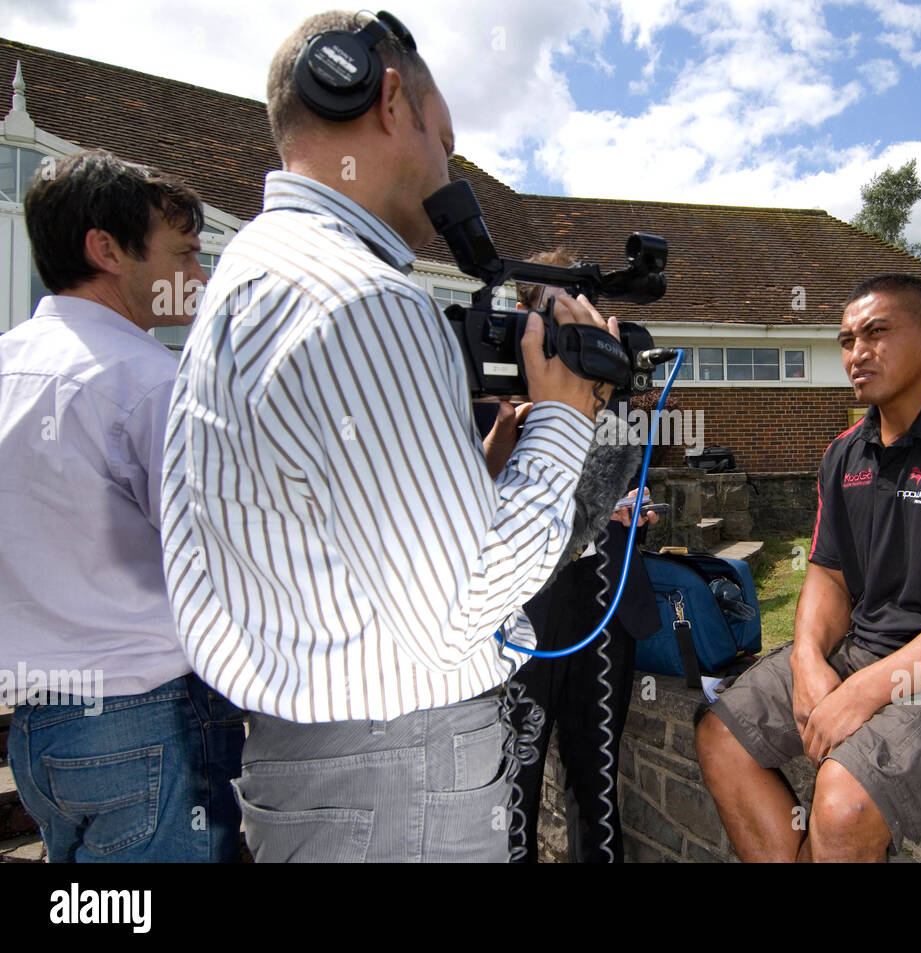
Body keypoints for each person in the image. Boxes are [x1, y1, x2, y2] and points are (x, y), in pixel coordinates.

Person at [159, 10, 616, 863]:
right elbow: (456, 612)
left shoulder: (257, 268)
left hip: (320, 766)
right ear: (389, 99)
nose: (447, 170)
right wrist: (566, 416)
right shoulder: (362, 298)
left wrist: (482, 474)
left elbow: (339, 530)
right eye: (446, 139)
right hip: (399, 777)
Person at [696, 273, 921, 862]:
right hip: (869, 647)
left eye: (876, 333)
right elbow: (829, 575)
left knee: (845, 803)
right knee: (722, 738)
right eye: (847, 340)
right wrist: (807, 659)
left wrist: (866, 691)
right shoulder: (845, 451)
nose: (857, 353)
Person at [0, 149, 245, 862]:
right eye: (187, 253)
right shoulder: (148, 381)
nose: (198, 278)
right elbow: (226, 552)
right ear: (106, 250)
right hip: (149, 723)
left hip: (43, 734)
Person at [500, 252, 661, 863]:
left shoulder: (613, 399)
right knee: (517, 781)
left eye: (582, 302)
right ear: (527, 315)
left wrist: (635, 509)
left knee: (596, 782)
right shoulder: (489, 395)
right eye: (557, 302)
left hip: (603, 603)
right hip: (522, 610)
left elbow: (617, 483)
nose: (575, 316)